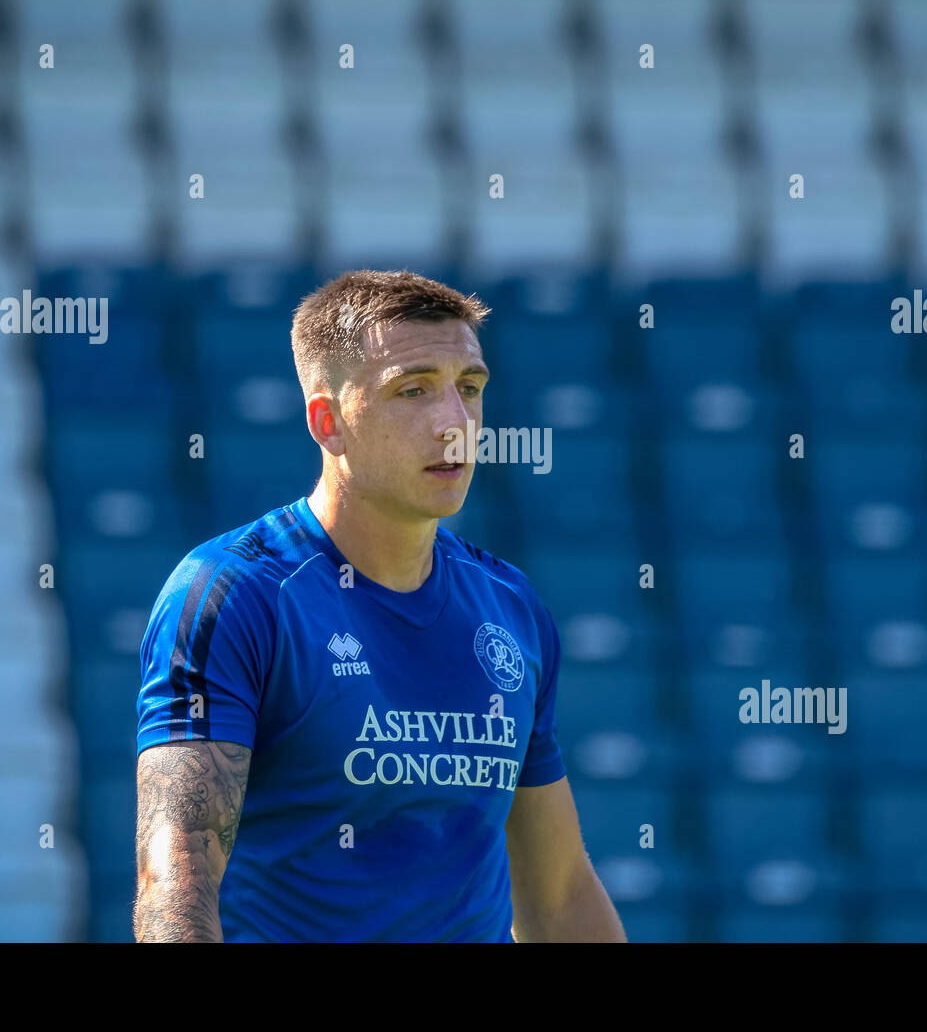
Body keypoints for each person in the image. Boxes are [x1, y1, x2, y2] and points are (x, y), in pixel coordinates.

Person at [133, 268, 626, 942]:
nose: (455, 423)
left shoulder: (510, 609)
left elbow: (559, 894)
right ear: (328, 421)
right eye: (414, 390)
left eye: (470, 390)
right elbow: (178, 876)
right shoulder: (235, 594)